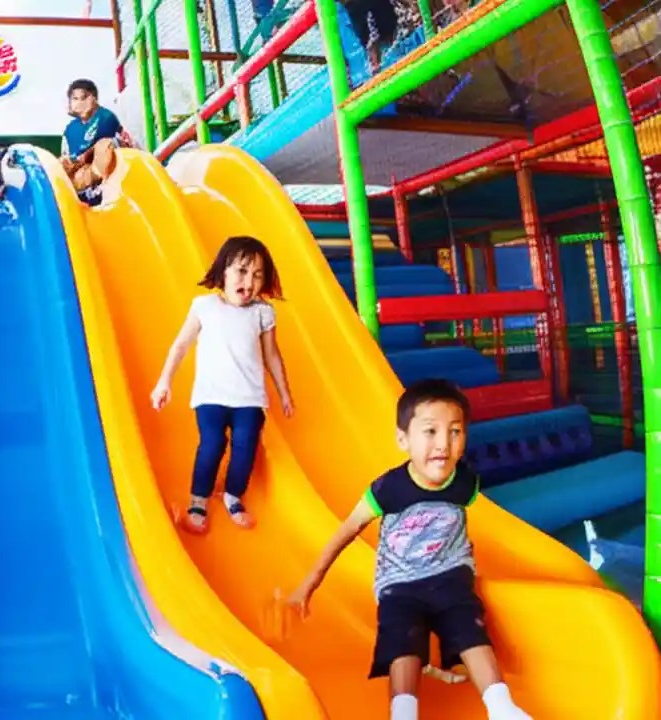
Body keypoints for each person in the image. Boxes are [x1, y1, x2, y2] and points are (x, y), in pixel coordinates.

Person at [285, 379, 533, 720]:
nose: (444, 444)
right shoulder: (388, 489)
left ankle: (502, 708)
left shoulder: (466, 482)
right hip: (399, 582)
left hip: (450, 575)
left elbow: (465, 523)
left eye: (456, 431)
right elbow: (347, 530)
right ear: (403, 440)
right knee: (403, 638)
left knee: (468, 627)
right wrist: (308, 585)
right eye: (430, 431)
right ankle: (403, 712)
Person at [149, 236, 294, 533]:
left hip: (250, 398)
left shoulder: (262, 312)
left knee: (246, 448)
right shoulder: (205, 306)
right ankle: (198, 499)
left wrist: (284, 393)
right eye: (241, 272)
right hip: (211, 395)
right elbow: (180, 346)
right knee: (213, 444)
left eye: (257, 275)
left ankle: (231, 494)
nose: (249, 282)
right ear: (223, 272)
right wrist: (164, 382)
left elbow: (272, 355)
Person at [60, 78, 133, 206]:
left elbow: (103, 145)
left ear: (94, 99)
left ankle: (100, 189)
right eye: (74, 99)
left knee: (105, 145)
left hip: (108, 169)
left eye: (83, 98)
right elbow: (67, 155)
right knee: (60, 165)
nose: (79, 103)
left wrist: (80, 159)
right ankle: (76, 194)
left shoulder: (105, 117)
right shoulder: (70, 128)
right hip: (80, 170)